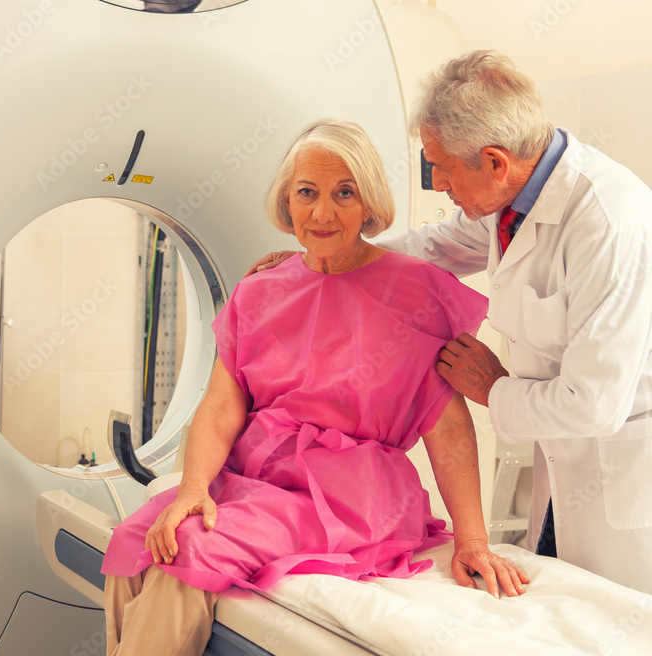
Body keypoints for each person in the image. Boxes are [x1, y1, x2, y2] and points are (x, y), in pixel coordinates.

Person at [100, 119, 528, 656]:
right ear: (287, 201)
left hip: (349, 494)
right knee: (137, 540)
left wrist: (473, 541)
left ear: (368, 204)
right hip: (257, 479)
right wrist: (191, 491)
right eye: (307, 193)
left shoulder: (416, 292)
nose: (323, 212)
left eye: (344, 193)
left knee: (190, 548)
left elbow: (447, 428)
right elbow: (218, 408)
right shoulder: (260, 290)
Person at [249, 51, 652, 595]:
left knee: (616, 622)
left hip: (621, 467)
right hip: (563, 464)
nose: (437, 183)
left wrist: (494, 389)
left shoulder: (607, 223)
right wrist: (318, 256)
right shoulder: (511, 201)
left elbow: (595, 404)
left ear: (494, 162)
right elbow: (427, 246)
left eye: (439, 166)